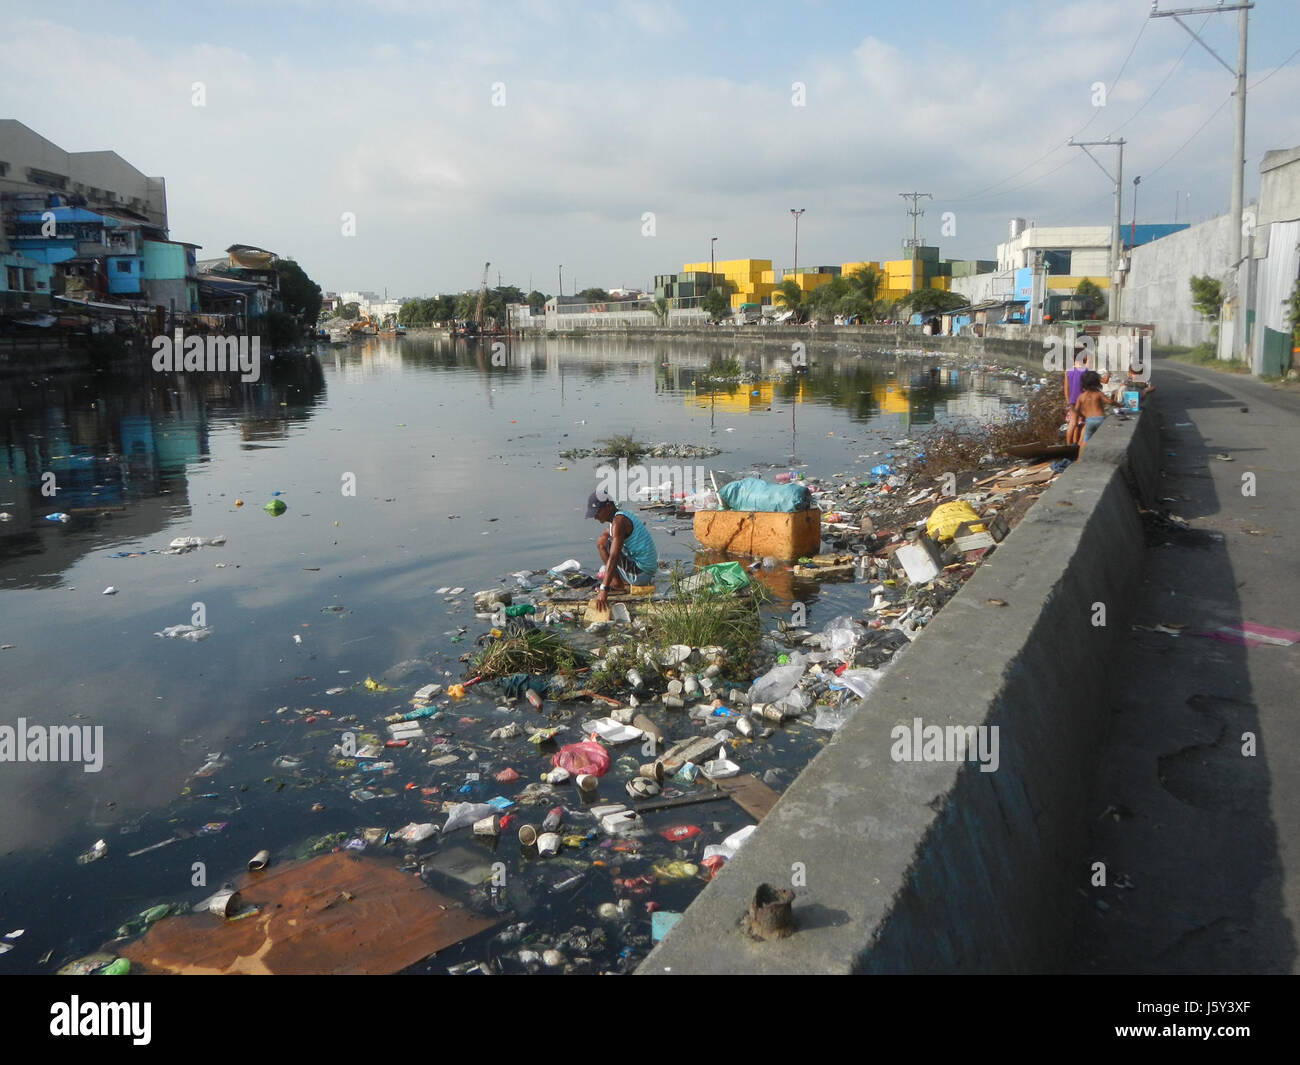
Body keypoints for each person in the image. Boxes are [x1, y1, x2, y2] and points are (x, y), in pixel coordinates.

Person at [586, 489, 658, 610]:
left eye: (597, 512)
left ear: (608, 507)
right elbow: (604, 536)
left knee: (603, 544)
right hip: (646, 570)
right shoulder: (619, 517)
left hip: (641, 574)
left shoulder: (618, 522)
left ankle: (617, 584)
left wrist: (604, 588)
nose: (595, 516)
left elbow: (614, 556)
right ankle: (618, 580)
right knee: (602, 540)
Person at [1071, 370, 1118, 448]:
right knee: (1104, 439)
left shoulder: (1081, 397)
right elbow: (1109, 402)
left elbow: (1076, 411)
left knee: (1085, 441)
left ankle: (1079, 458)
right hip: (1100, 420)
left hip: (1089, 421)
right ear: (1097, 382)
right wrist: (1119, 404)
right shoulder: (1098, 393)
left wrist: (1081, 415)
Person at [1064, 351, 1089, 446]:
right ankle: (1079, 443)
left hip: (1072, 400)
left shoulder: (1068, 371)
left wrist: (1068, 401)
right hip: (1083, 400)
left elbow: (1066, 388)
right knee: (1085, 422)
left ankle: (1068, 444)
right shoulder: (1085, 371)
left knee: (1072, 423)